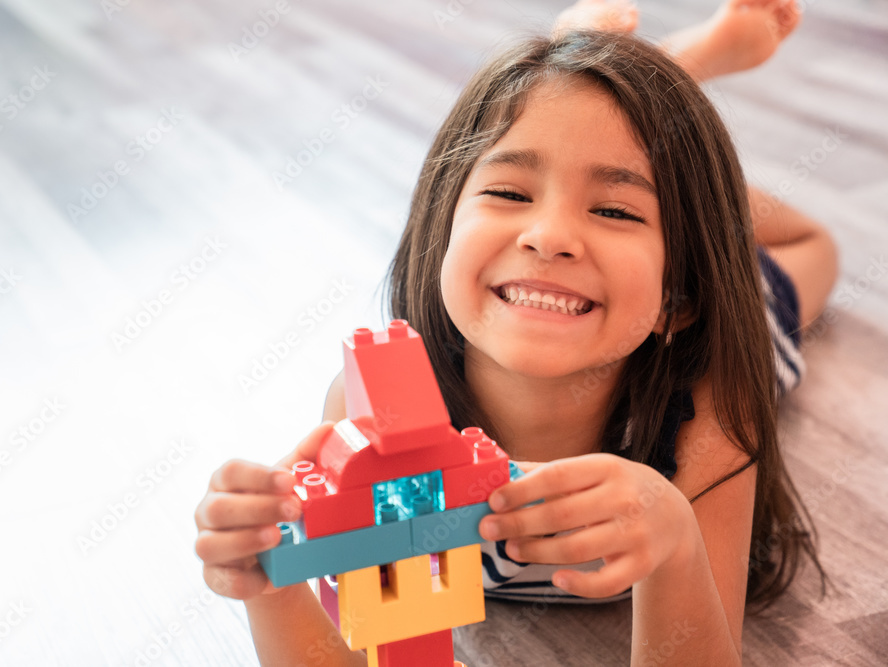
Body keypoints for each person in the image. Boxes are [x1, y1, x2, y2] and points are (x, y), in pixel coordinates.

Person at [194, 2, 836, 664]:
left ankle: (662, 81)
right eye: (508, 193)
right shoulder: (376, 411)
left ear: (679, 297)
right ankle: (617, 88)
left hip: (717, 313)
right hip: (622, 284)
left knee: (815, 248)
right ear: (441, 232)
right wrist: (268, 585)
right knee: (598, 134)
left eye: (616, 208)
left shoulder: (710, 407)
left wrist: (673, 535)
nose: (549, 235)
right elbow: (382, 644)